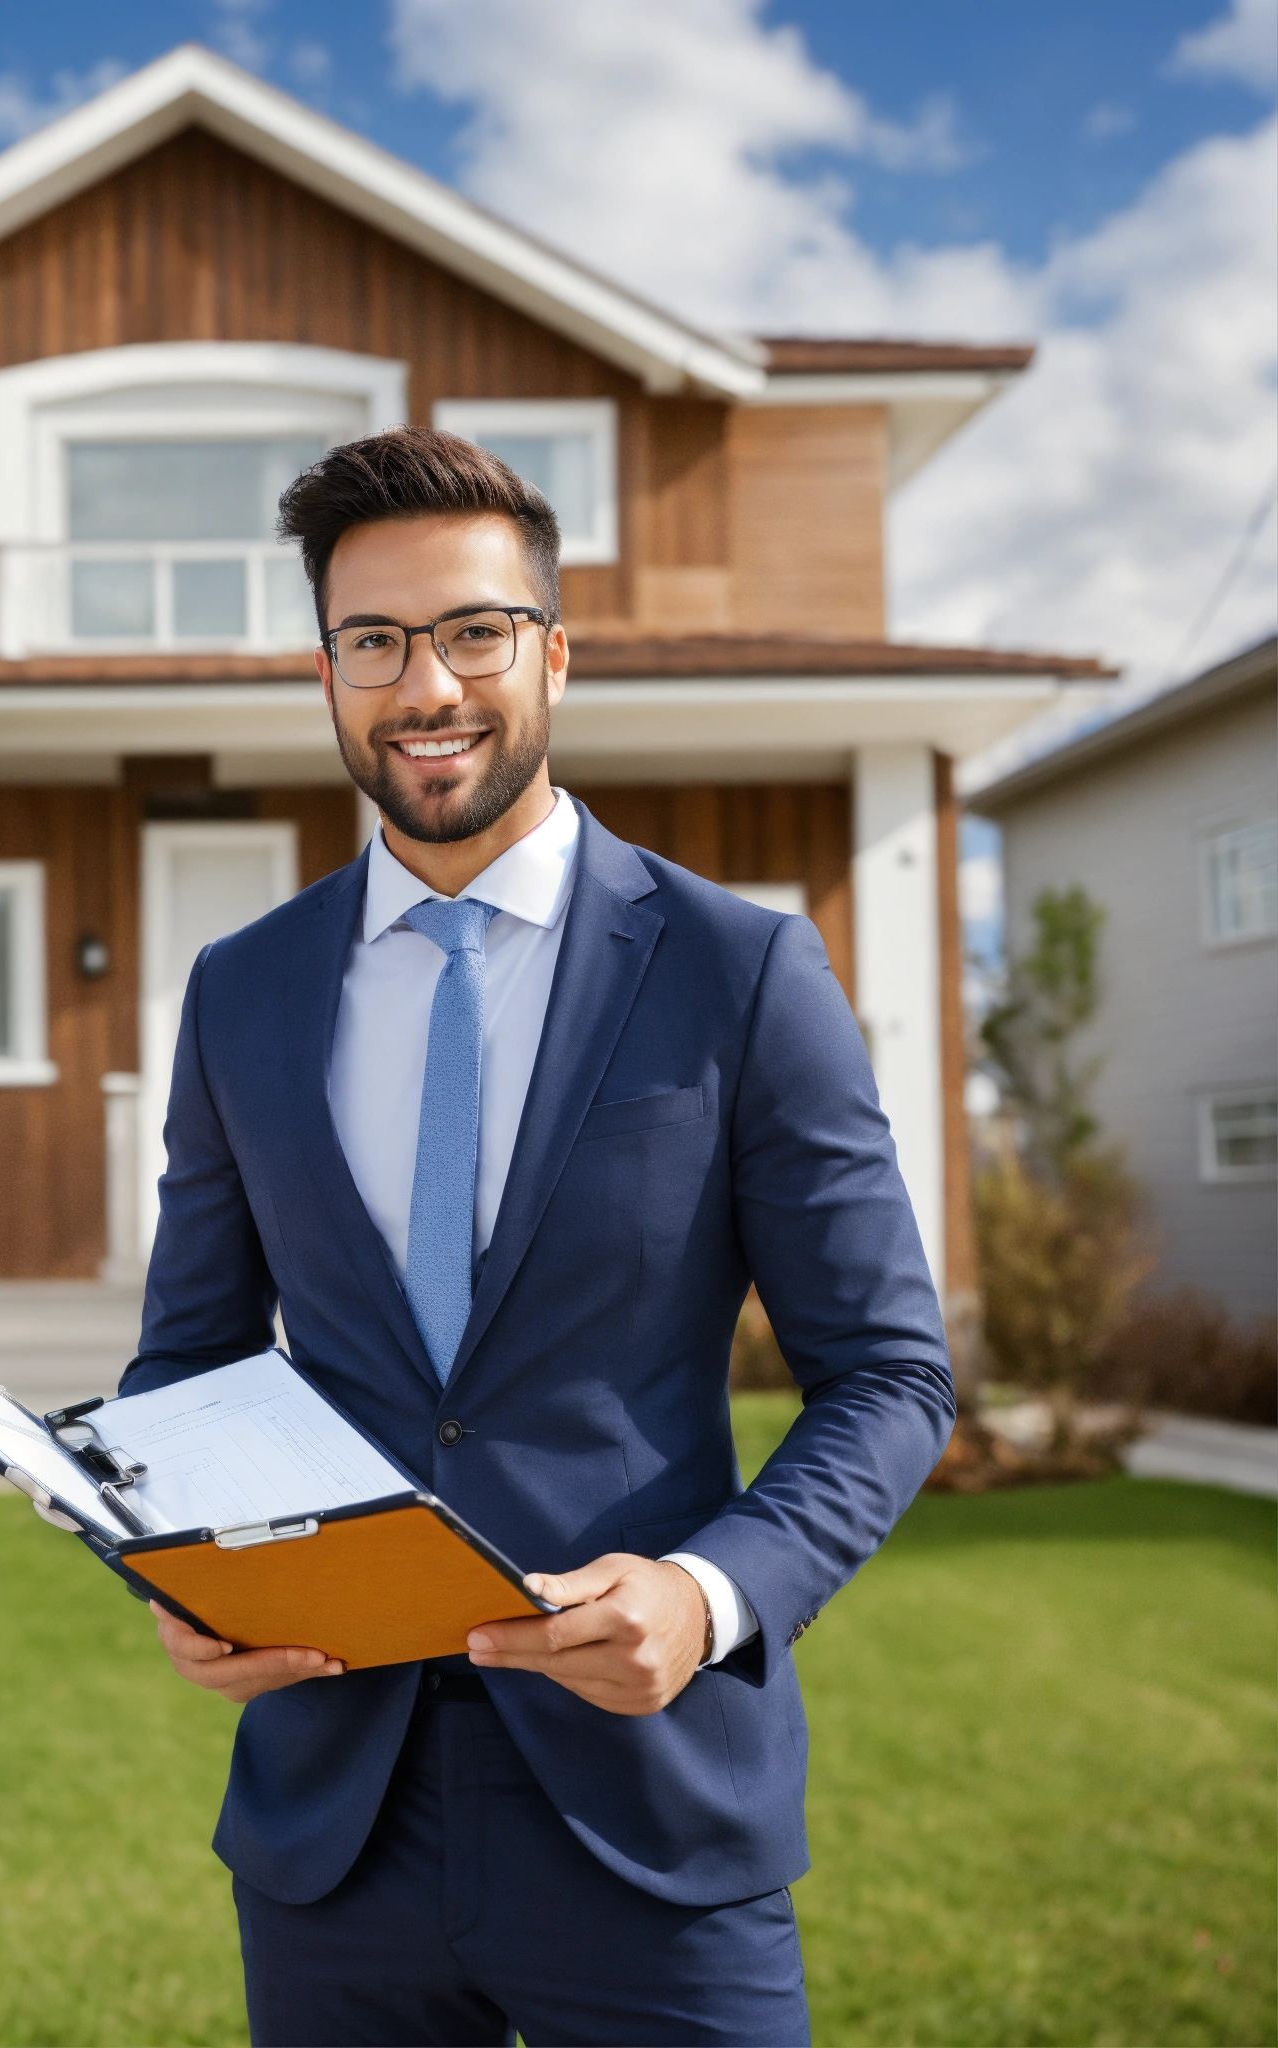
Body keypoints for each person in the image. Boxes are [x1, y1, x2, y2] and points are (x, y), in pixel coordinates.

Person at [120, 427, 954, 2047]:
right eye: (375, 641)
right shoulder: (242, 991)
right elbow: (194, 1360)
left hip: (648, 1809)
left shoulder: (741, 974)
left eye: (473, 633)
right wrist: (185, 1565)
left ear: (554, 657)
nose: (425, 684)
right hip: (332, 1824)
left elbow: (890, 1372)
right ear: (327, 675)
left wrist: (713, 1596)